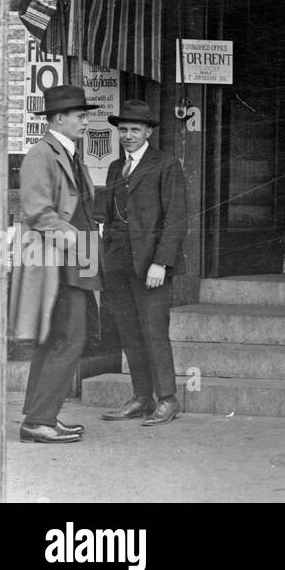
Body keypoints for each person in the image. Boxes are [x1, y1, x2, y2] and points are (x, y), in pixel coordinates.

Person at [13, 85, 103, 444]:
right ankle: (39, 420)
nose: (86, 121)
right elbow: (38, 212)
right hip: (59, 260)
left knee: (59, 338)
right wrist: (77, 241)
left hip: (76, 258)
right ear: (58, 119)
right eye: (80, 116)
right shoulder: (42, 154)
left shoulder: (68, 153)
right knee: (68, 338)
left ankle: (40, 415)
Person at [95, 99, 190, 425]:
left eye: (135, 129)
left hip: (150, 265)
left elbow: (176, 219)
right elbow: (106, 217)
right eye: (123, 130)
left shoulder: (165, 165)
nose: (128, 135)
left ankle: (167, 399)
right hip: (118, 263)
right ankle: (141, 397)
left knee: (153, 332)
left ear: (148, 131)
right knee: (129, 332)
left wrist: (161, 263)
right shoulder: (113, 167)